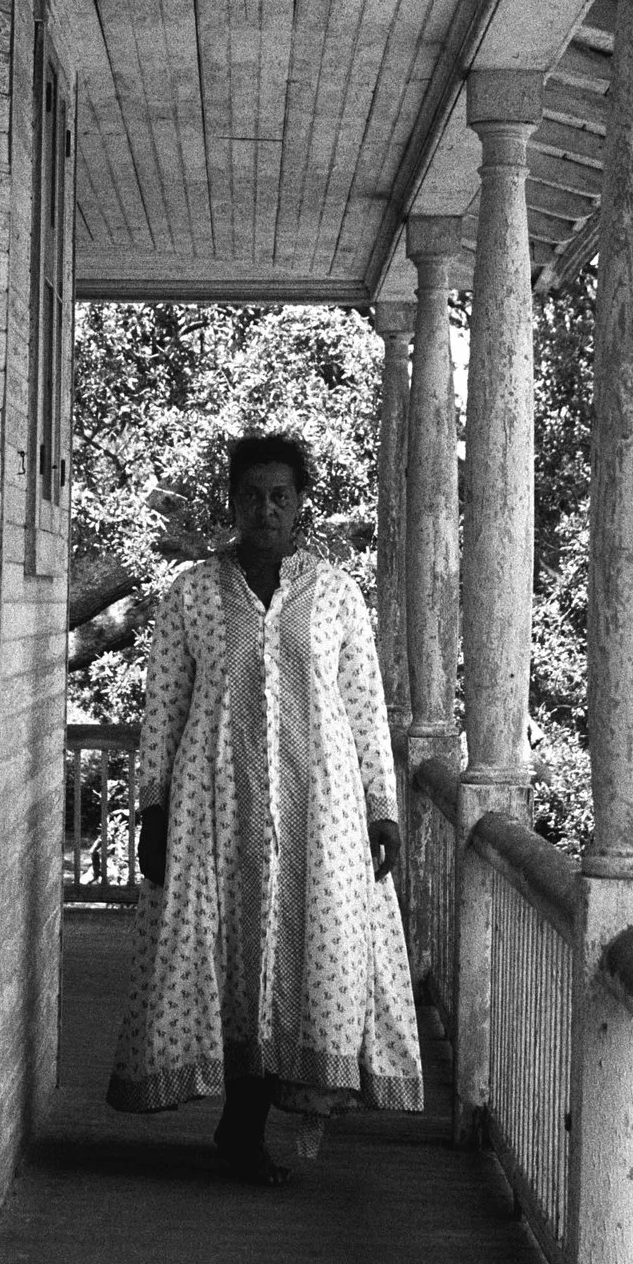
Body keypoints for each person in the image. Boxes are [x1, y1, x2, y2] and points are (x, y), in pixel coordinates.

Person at [106, 432, 423, 1182]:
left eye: (281, 494)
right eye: (251, 494)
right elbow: (164, 707)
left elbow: (365, 707)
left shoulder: (337, 592)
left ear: (301, 502)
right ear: (232, 501)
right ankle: (240, 1127)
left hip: (324, 812)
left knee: (314, 952)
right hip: (214, 807)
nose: (266, 508)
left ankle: (264, 1120)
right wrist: (151, 808)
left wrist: (384, 806)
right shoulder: (193, 592)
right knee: (233, 954)